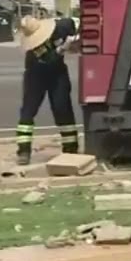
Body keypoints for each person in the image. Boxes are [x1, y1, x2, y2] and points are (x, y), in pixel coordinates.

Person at [16, 15, 79, 165]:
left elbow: (75, 23)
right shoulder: (35, 50)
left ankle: (71, 148)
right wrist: (62, 49)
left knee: (62, 109)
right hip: (36, 73)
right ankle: (23, 151)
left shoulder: (61, 26)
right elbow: (50, 59)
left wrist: (76, 39)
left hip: (58, 73)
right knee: (28, 112)